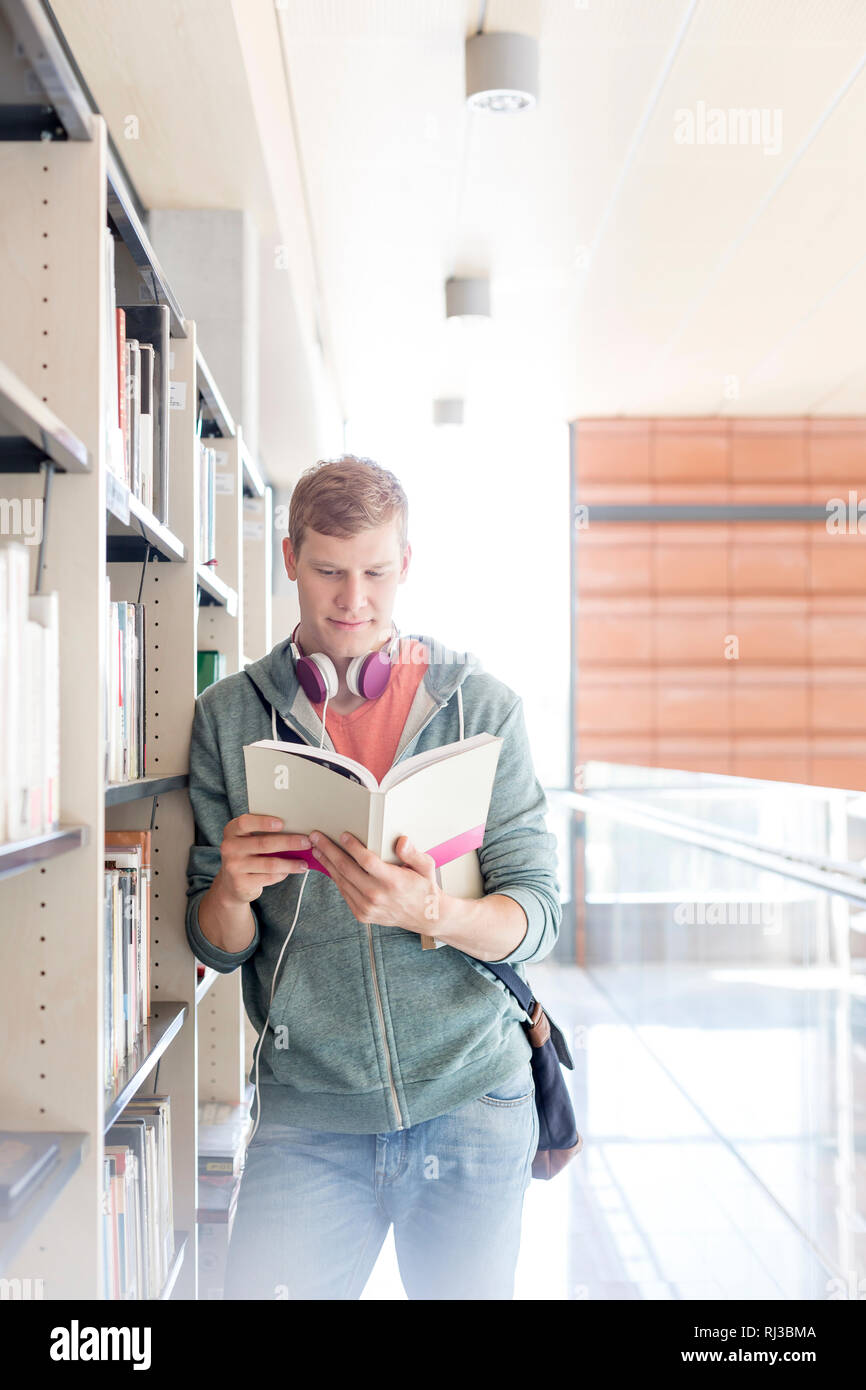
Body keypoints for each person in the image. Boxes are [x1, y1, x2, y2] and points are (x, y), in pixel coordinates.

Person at [185, 454, 561, 1300]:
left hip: (470, 1096)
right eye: (327, 571)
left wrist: (434, 909)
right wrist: (232, 891)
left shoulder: (482, 708)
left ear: (406, 566)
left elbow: (538, 912)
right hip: (308, 1118)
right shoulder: (229, 720)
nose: (353, 600)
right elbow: (213, 944)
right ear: (290, 559)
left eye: (376, 573)